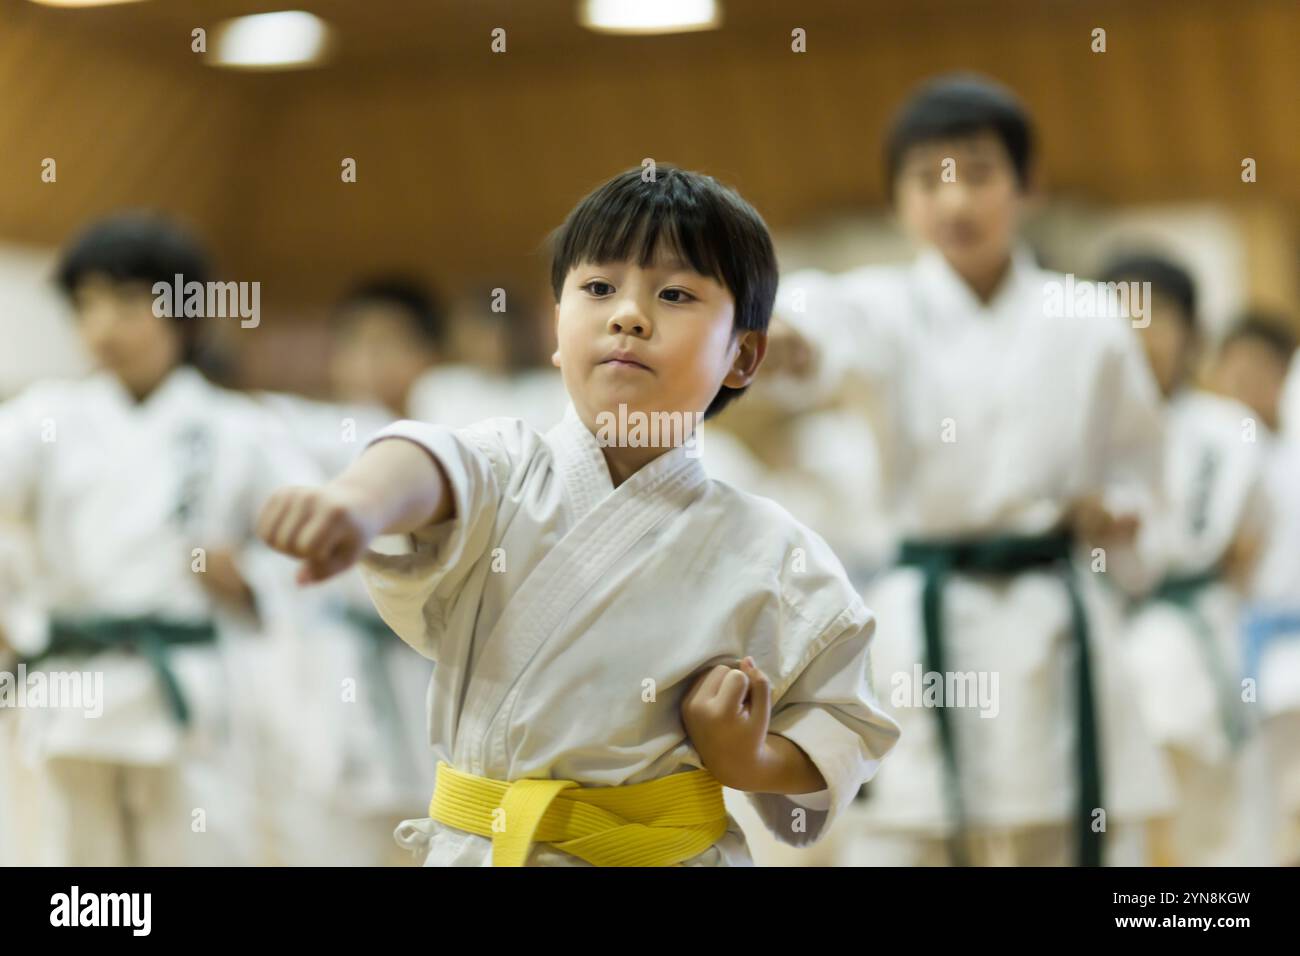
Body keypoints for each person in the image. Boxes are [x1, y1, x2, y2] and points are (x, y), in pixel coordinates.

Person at [257, 164, 901, 866]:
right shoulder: (507, 463)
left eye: (676, 293)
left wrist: (747, 760)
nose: (627, 314)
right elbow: (429, 462)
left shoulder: (773, 548)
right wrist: (359, 502)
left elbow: (844, 729)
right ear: (560, 328)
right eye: (598, 289)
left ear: (743, 354)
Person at [762, 74, 1173, 866]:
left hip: (1058, 617)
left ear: (1028, 186)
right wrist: (778, 337)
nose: (955, 205)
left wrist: (1117, 514)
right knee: (911, 835)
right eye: (928, 181)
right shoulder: (880, 306)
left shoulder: (1087, 319)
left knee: (1068, 832)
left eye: (979, 175)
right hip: (929, 619)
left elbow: (1139, 469)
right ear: (897, 202)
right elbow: (818, 328)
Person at [0, 212, 315, 865]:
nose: (102, 325)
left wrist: (252, 575)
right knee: (75, 876)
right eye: (85, 304)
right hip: (74, 684)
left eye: (124, 300)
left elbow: (320, 537)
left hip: (191, 688)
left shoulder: (238, 427)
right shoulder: (44, 418)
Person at [1104, 255, 1274, 865]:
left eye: (1154, 316)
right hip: (1111, 641)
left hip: (1208, 638)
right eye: (1120, 315)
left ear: (1192, 332)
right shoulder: (1087, 437)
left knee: (1219, 831)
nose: (1137, 331)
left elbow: (1250, 544)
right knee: (1126, 829)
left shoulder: (1226, 430)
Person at [1209, 313, 1300, 863]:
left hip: (1291, 632)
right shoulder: (1213, 446)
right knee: (1252, 800)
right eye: (1234, 368)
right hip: (1239, 635)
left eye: (1262, 369)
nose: (1246, 381)